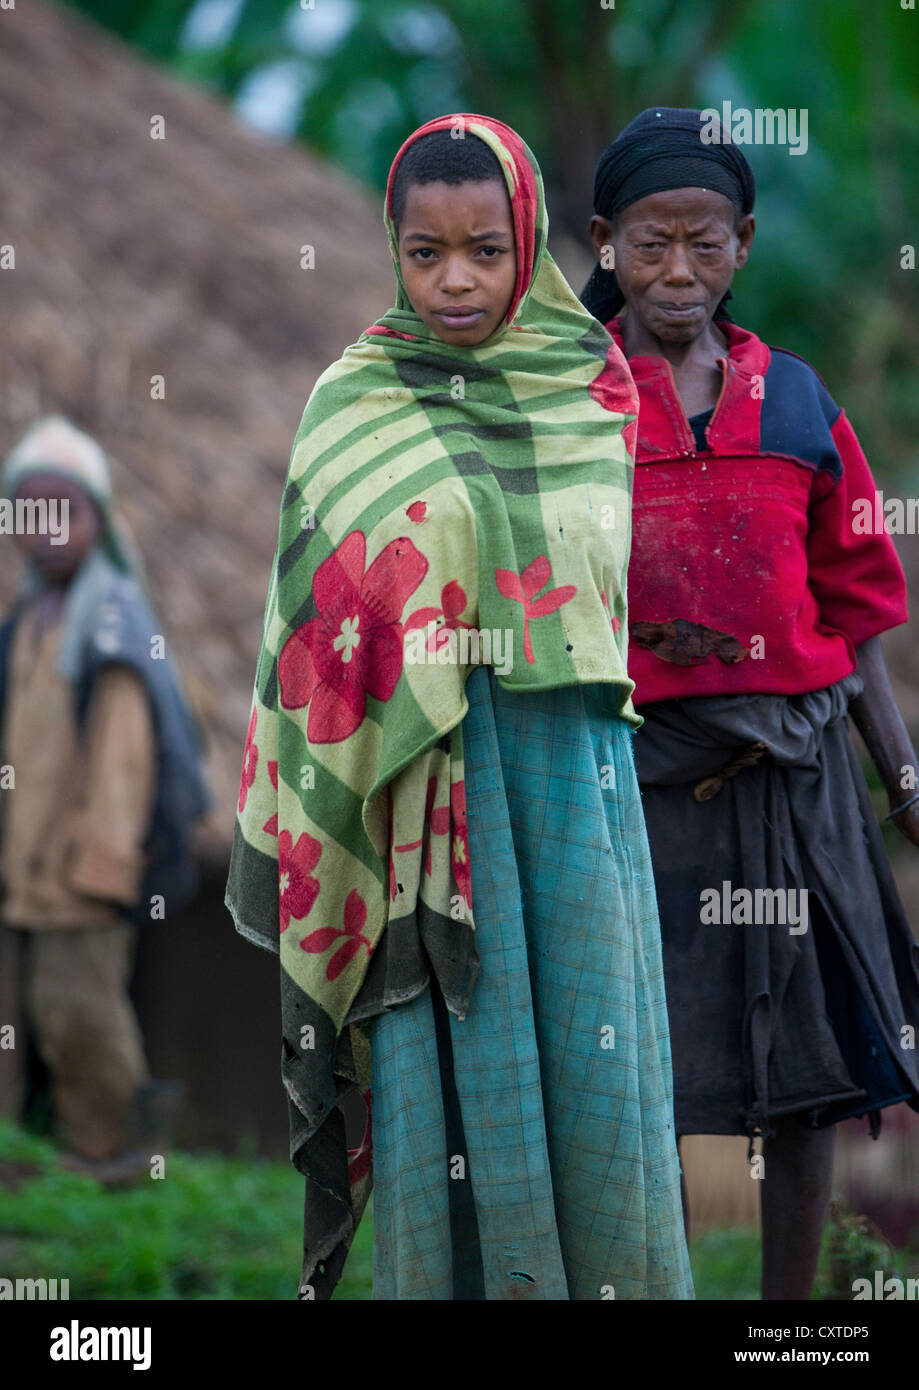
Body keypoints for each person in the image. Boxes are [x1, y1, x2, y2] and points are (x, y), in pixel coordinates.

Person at [226, 113, 694, 1301]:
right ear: (390, 245)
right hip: (425, 793)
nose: (454, 280)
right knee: (454, 1062)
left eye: (484, 250)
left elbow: (593, 584)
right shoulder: (354, 401)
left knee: (587, 1065)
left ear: (528, 244)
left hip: (569, 789)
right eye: (424, 251)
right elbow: (313, 620)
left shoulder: (591, 390)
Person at [582, 107, 919, 1300]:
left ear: (744, 245)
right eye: (651, 244)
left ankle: (781, 1320)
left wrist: (902, 771)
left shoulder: (798, 402)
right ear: (605, 244)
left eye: (704, 244)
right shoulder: (569, 404)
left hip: (799, 779)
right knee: (647, 1071)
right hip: (637, 782)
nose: (678, 270)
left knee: (807, 1072)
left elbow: (858, 610)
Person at [0, 417, 210, 1182]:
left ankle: (120, 1151)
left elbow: (124, 762)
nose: (46, 530)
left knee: (82, 1013)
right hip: (31, 865)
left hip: (85, 871)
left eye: (66, 510)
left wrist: (103, 862)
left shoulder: (112, 621)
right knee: (40, 1015)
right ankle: (55, 1152)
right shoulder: (30, 619)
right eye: (29, 511)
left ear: (98, 518)